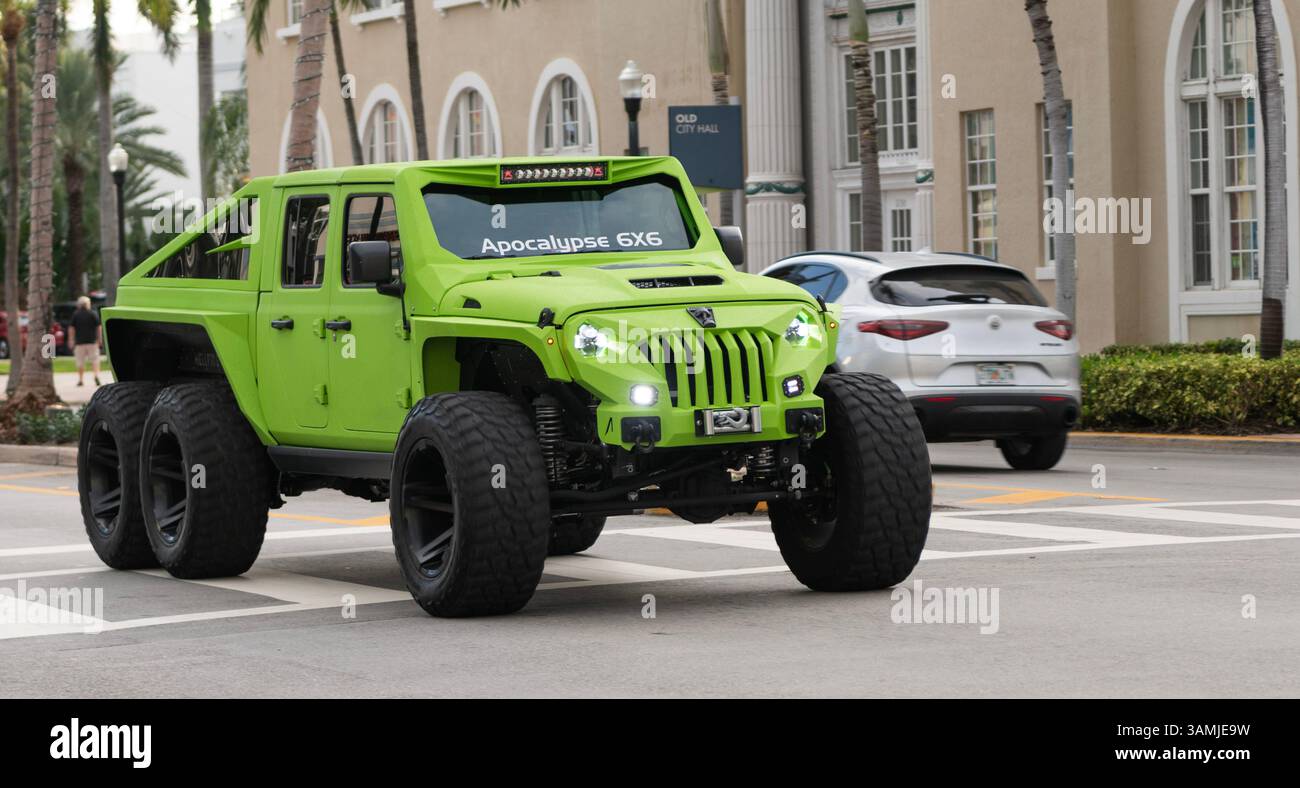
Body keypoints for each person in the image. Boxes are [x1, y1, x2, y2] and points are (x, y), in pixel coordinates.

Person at [69, 296, 102, 387]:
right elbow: (98, 327)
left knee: (80, 361)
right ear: (88, 304)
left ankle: (81, 380)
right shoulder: (93, 313)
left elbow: (71, 328)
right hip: (92, 341)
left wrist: (71, 340)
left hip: (80, 342)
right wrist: (100, 339)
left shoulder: (76, 314)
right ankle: (96, 375)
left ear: (79, 304)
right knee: (95, 360)